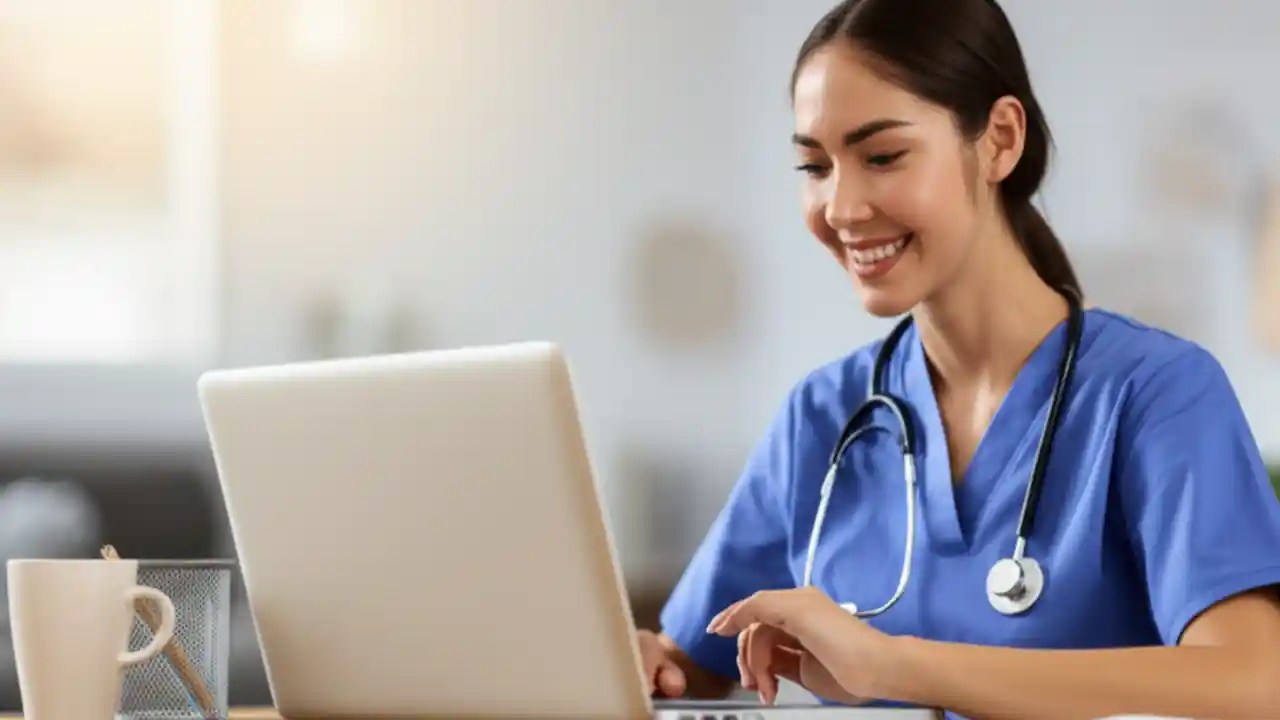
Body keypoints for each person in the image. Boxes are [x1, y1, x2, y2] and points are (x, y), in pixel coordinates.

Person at [633, 1, 1280, 718]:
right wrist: (641, 666)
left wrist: (891, 665)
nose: (841, 207)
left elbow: (1252, 682)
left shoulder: (1154, 394)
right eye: (814, 166)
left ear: (999, 140)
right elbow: (689, 668)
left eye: (882, 156)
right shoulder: (823, 417)